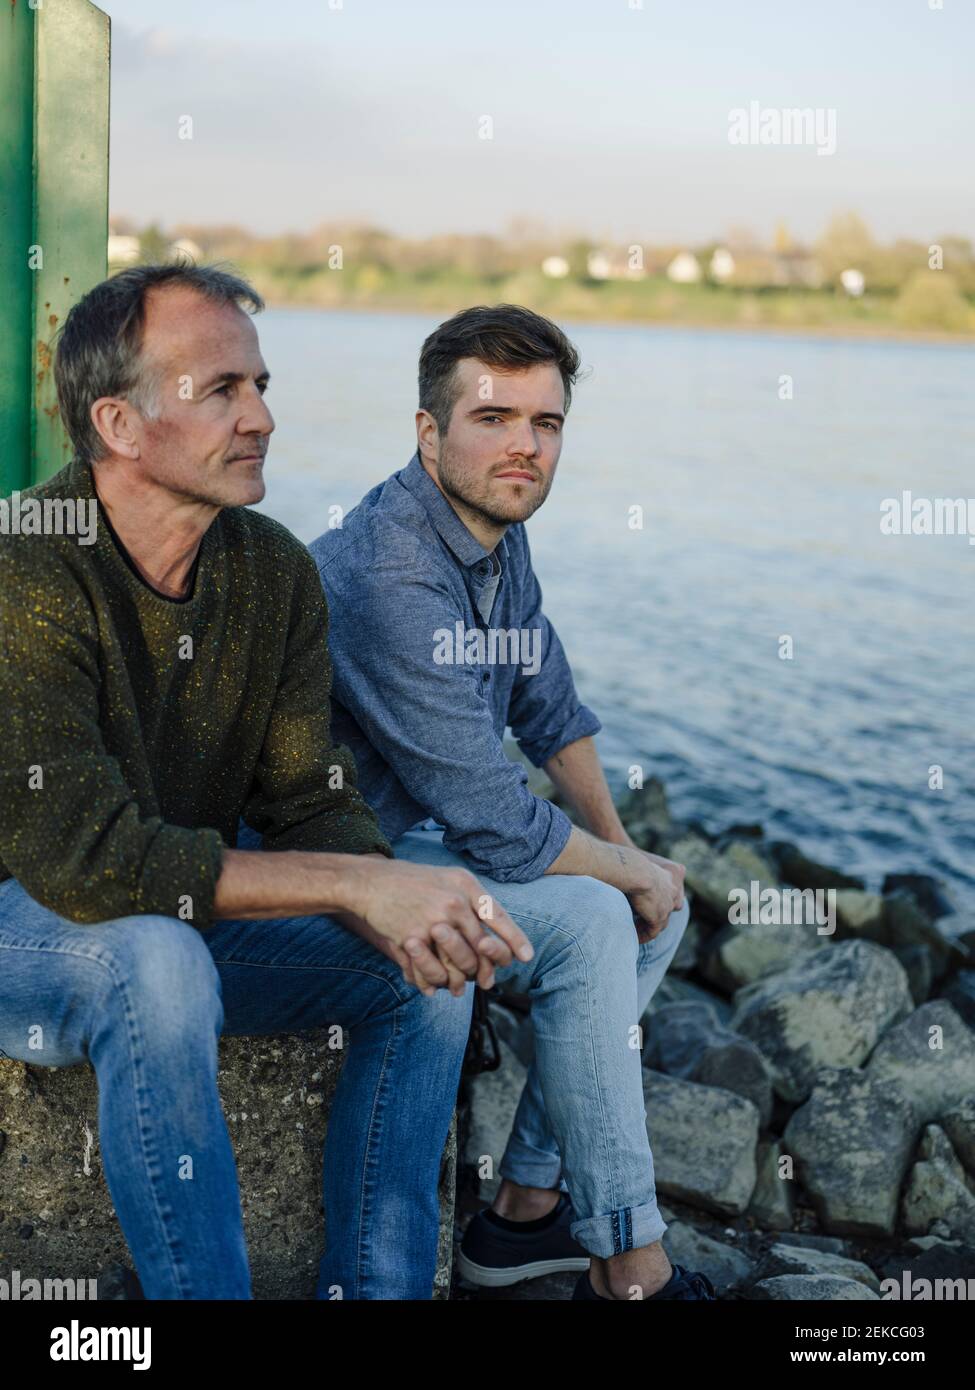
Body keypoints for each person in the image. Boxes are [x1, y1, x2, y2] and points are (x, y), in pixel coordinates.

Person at [0, 266, 533, 1301]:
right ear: (119, 421)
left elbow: (311, 796)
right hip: (28, 915)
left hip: (172, 906)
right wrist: (347, 884)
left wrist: (394, 894)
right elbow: (88, 860)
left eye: (262, 384)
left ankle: (377, 1290)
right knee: (154, 960)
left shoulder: (271, 569)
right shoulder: (27, 564)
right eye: (223, 390)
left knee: (422, 965)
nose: (263, 417)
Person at [310, 304, 716, 1301]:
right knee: (588, 918)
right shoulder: (389, 569)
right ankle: (633, 1264)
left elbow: (549, 707)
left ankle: (525, 1210)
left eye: (545, 423)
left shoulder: (495, 531)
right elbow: (497, 818)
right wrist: (619, 875)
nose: (524, 446)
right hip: (336, 857)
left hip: (421, 833)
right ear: (427, 430)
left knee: (643, 905)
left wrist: (632, 860)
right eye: (493, 417)